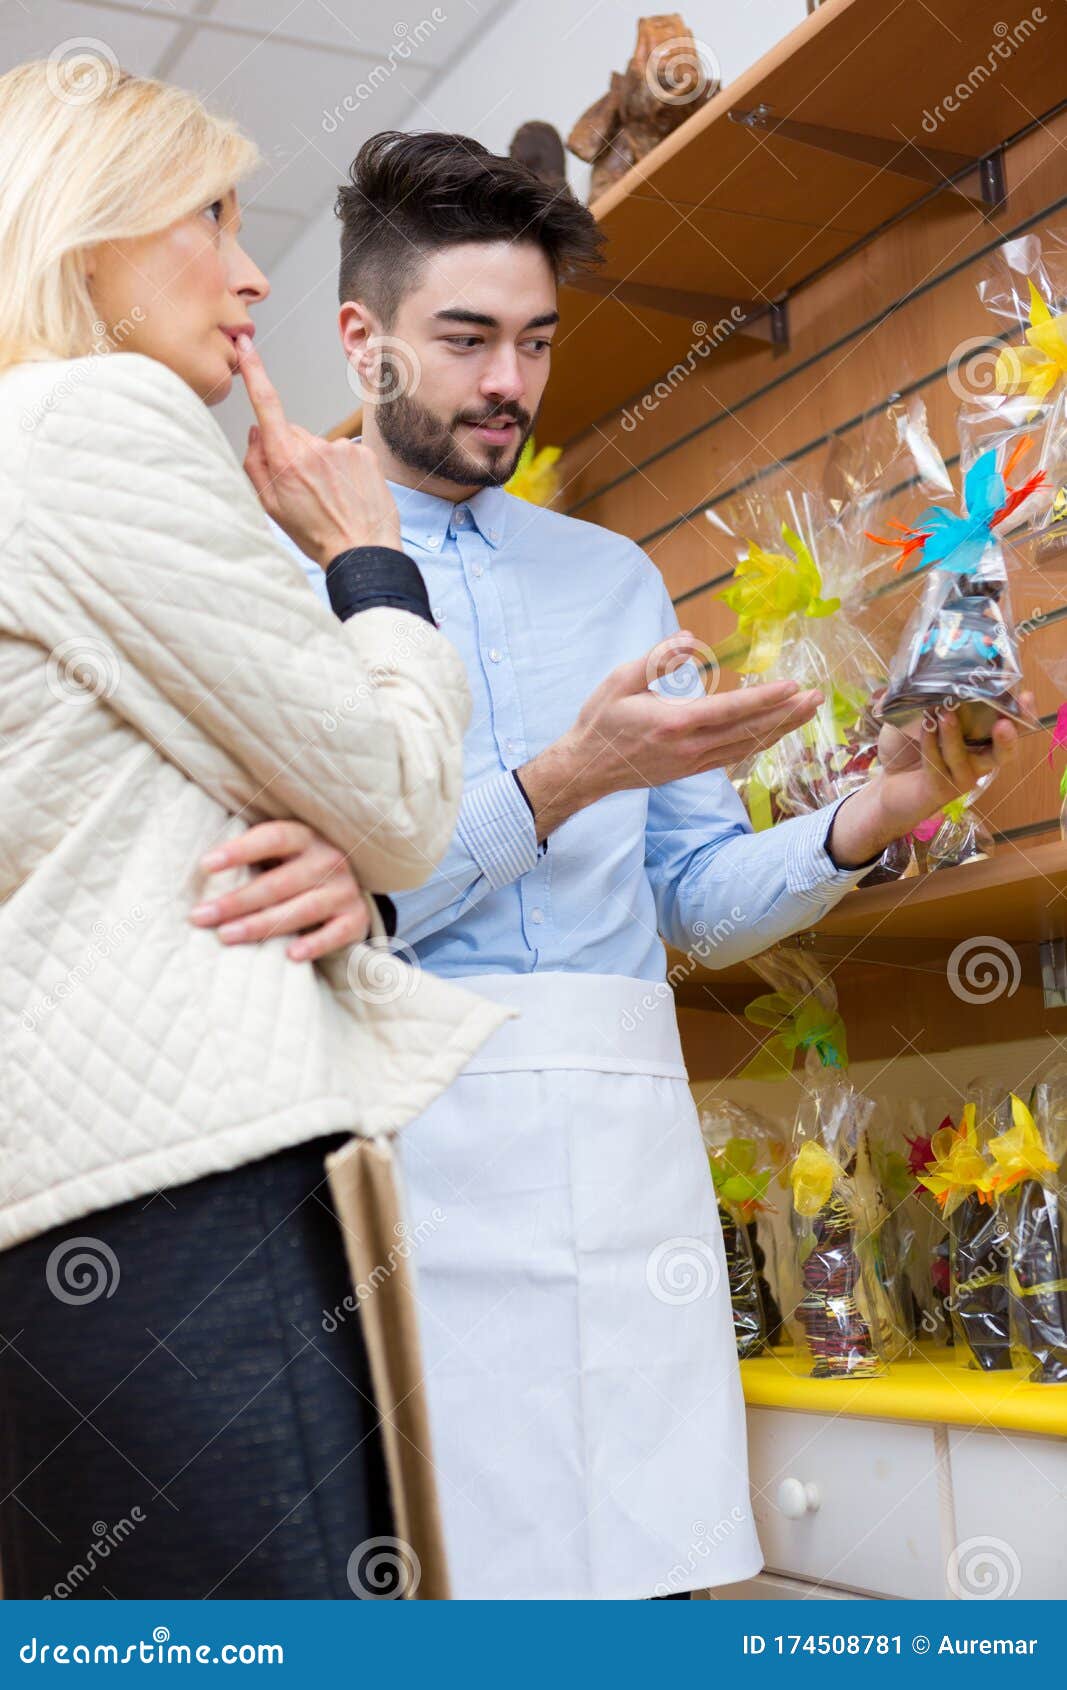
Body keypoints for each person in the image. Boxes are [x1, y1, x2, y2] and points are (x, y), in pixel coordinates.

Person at [213, 133, 1032, 1600]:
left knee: (651, 1576)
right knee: (452, 1576)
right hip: (409, 1136)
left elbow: (698, 904)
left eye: (534, 339)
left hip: (627, 1134)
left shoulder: (614, 579)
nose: (509, 383)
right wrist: (569, 774)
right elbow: (339, 901)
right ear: (364, 337)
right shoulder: (274, 579)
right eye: (464, 339)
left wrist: (879, 810)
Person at [0, 66, 509, 1599]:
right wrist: (366, 558)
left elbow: (120, 797)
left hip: (69, 1209)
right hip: (175, 1191)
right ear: (81, 243)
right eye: (206, 218)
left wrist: (336, 867)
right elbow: (404, 801)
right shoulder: (94, 419)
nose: (251, 268)